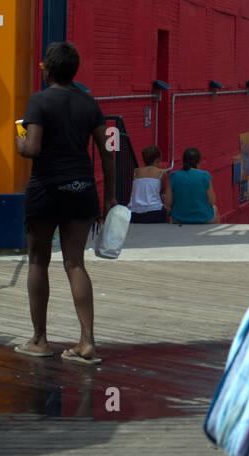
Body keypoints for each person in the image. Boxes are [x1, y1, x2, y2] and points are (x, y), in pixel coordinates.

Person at [14, 41, 115, 365]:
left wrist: (18, 142)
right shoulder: (89, 104)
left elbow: (32, 149)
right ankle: (87, 342)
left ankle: (40, 340)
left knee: (37, 262)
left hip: (45, 189)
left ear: (48, 69)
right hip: (81, 188)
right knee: (75, 264)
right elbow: (106, 152)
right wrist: (110, 195)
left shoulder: (39, 102)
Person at [164, 149, 220, 225]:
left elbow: (168, 202)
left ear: (183, 161)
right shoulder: (205, 175)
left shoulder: (174, 176)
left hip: (179, 219)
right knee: (215, 208)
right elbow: (212, 201)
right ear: (198, 161)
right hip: (203, 218)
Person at [128, 145, 168, 224]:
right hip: (154, 213)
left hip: (135, 214)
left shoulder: (136, 172)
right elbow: (162, 193)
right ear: (157, 159)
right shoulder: (162, 172)